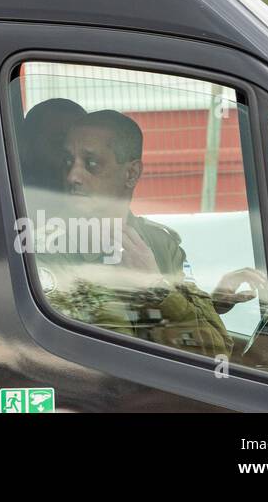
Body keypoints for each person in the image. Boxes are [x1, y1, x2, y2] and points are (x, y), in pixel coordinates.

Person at [54, 110, 233, 358]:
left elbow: (215, 354)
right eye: (67, 162)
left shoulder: (161, 246)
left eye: (91, 163)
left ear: (131, 174)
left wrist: (155, 288)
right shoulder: (43, 249)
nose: (72, 176)